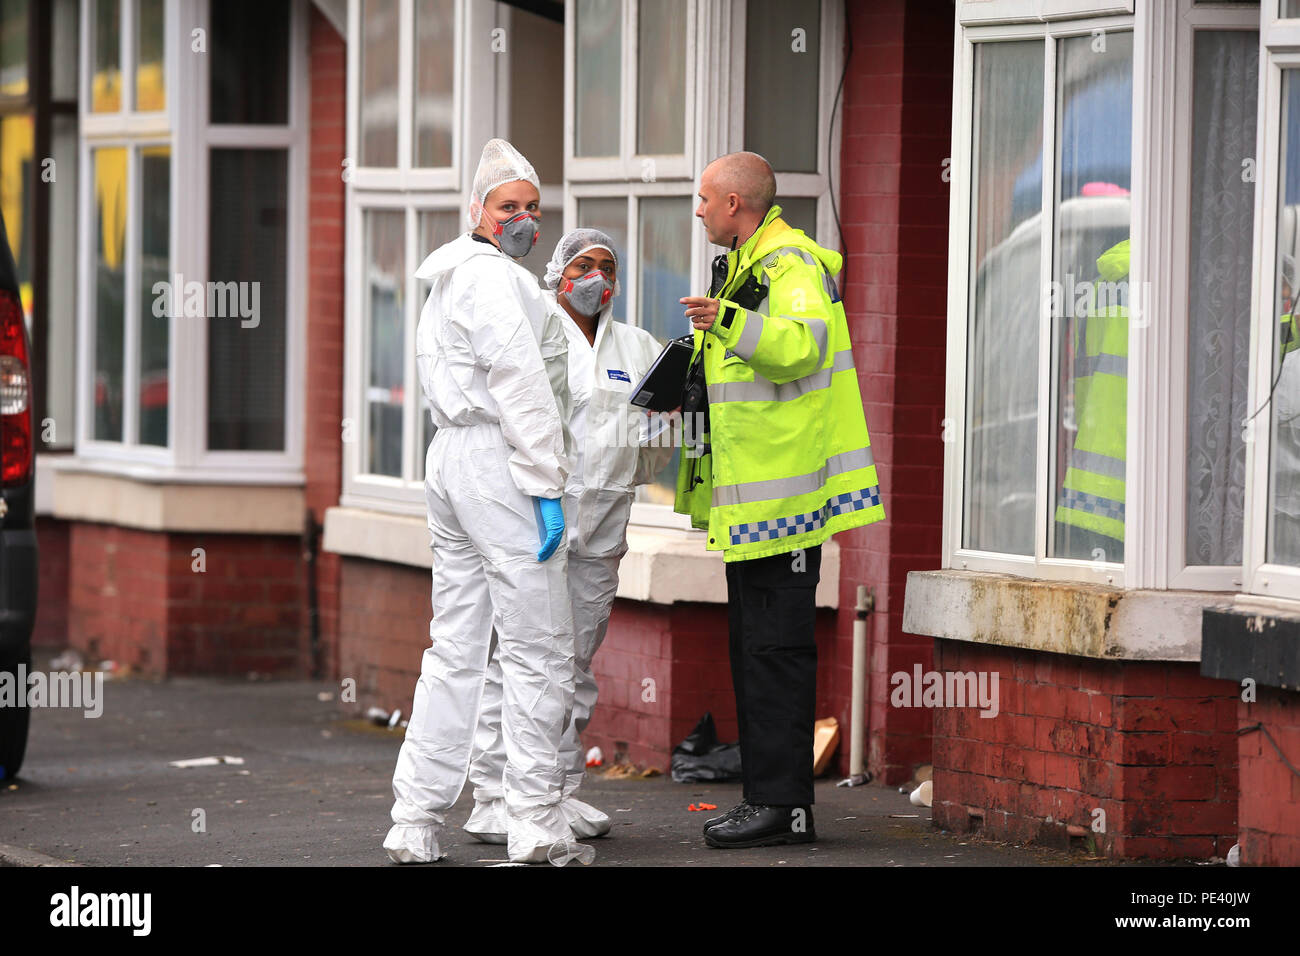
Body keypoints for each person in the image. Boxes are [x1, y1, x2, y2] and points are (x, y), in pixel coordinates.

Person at [677, 151, 885, 849]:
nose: (699, 209)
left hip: (785, 506)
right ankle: (765, 802)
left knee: (775, 659)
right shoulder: (747, 264)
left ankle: (783, 810)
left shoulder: (788, 264)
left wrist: (728, 323)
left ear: (736, 203)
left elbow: (803, 346)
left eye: (706, 198)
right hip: (758, 509)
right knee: (757, 656)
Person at [383, 138, 578, 865]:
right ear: (477, 210)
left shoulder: (447, 279)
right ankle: (531, 818)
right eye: (509, 207)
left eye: (533, 207)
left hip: (451, 461)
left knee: (456, 647)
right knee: (536, 647)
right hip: (499, 464)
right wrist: (546, 485)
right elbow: (522, 387)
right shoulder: (494, 281)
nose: (524, 219)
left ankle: (416, 817)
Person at [461, 229, 674, 844]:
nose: (596, 278)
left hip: (603, 522)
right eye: (583, 265)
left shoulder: (637, 347)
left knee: (575, 662)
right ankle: (494, 795)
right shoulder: (532, 334)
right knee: (519, 660)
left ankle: (556, 791)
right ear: (557, 271)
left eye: (607, 267)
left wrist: (667, 427)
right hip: (536, 518)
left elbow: (648, 455)